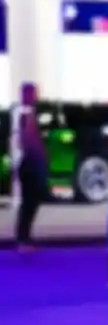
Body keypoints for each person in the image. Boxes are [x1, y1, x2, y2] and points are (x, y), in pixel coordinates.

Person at [13, 83, 49, 252]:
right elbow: (27, 140)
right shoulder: (26, 113)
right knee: (29, 203)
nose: (36, 96)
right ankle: (23, 239)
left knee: (31, 202)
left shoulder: (29, 113)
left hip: (32, 163)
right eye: (34, 93)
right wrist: (38, 156)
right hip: (30, 164)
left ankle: (24, 237)